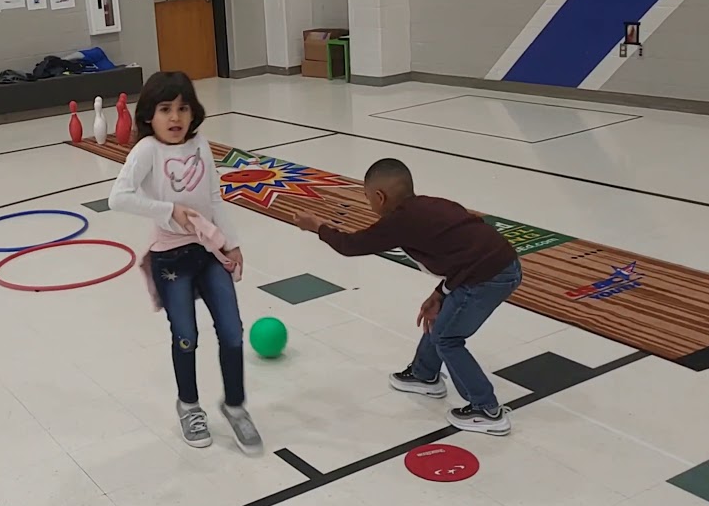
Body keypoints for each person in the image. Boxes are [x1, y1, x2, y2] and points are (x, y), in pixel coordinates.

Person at [294, 158, 521, 436]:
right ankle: (424, 375)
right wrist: (440, 293)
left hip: (488, 277)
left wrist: (317, 226)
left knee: (447, 338)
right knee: (440, 319)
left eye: (368, 198)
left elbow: (351, 246)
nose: (370, 205)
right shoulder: (431, 205)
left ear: (380, 197)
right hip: (498, 266)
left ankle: (486, 409)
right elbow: (465, 252)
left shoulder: (400, 221)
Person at [108, 71, 262, 455]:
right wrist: (168, 210)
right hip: (170, 256)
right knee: (186, 336)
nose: (175, 118)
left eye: (182, 109)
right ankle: (189, 405)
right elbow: (118, 197)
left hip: (207, 251)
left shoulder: (201, 145)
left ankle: (235, 405)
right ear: (149, 116)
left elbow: (213, 198)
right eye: (164, 109)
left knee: (231, 331)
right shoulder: (146, 151)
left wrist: (232, 243)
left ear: (194, 113)